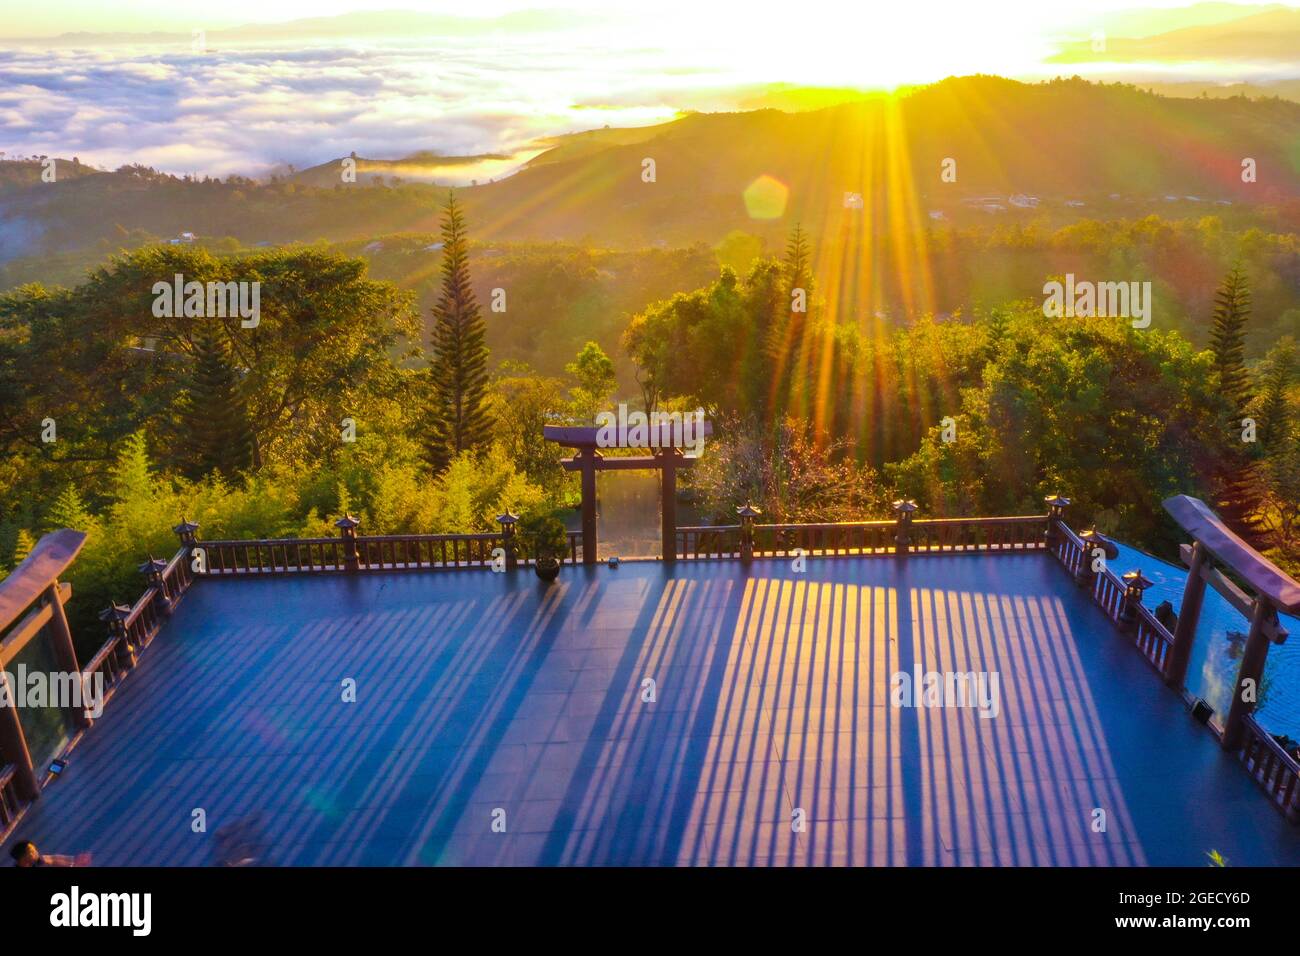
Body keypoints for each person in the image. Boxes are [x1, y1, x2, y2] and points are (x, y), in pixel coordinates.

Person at [9, 840, 90, 867]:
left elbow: (53, 859)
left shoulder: (35, 861)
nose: (36, 852)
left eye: (35, 849)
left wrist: (73, 861)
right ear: (24, 857)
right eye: (32, 851)